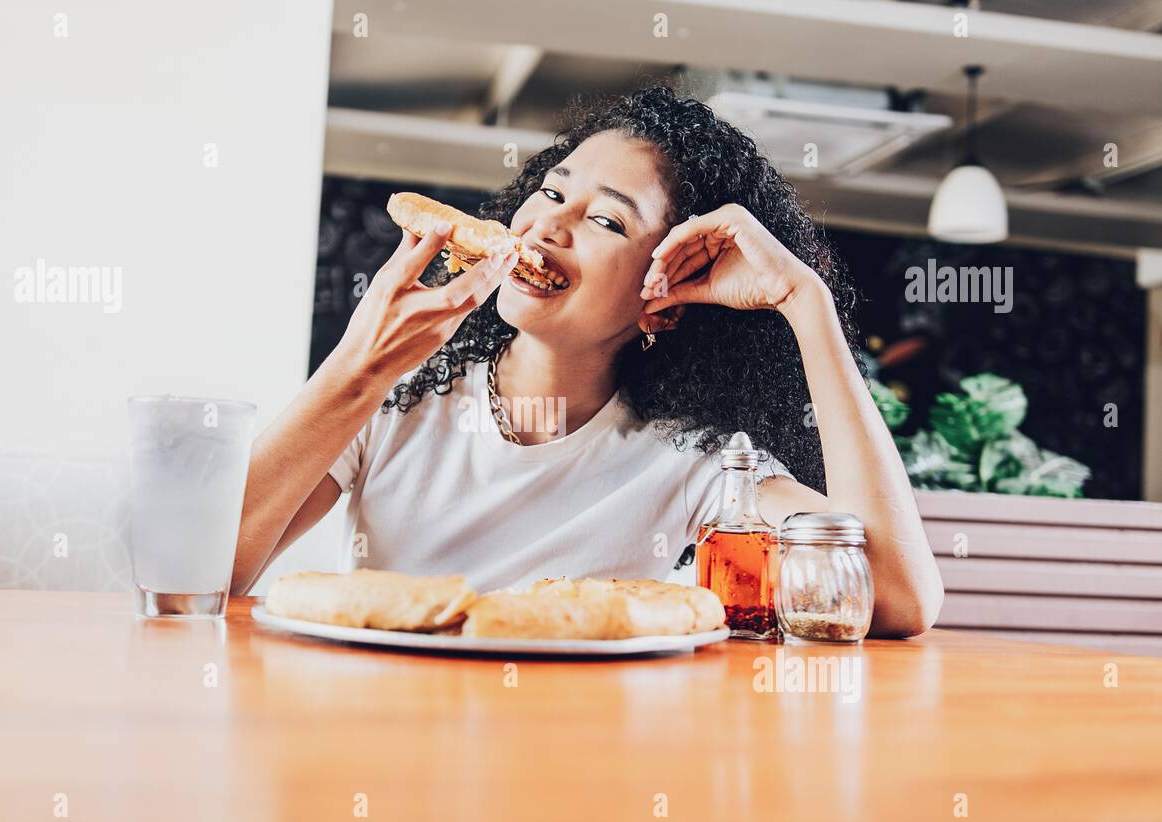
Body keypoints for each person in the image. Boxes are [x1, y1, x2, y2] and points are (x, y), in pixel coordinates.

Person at [231, 86, 942, 637]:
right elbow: (204, 574)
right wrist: (356, 370)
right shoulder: (395, 395)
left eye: (607, 220)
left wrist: (803, 302)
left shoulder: (695, 462)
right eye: (552, 190)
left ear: (662, 301)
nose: (548, 224)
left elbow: (896, 593)